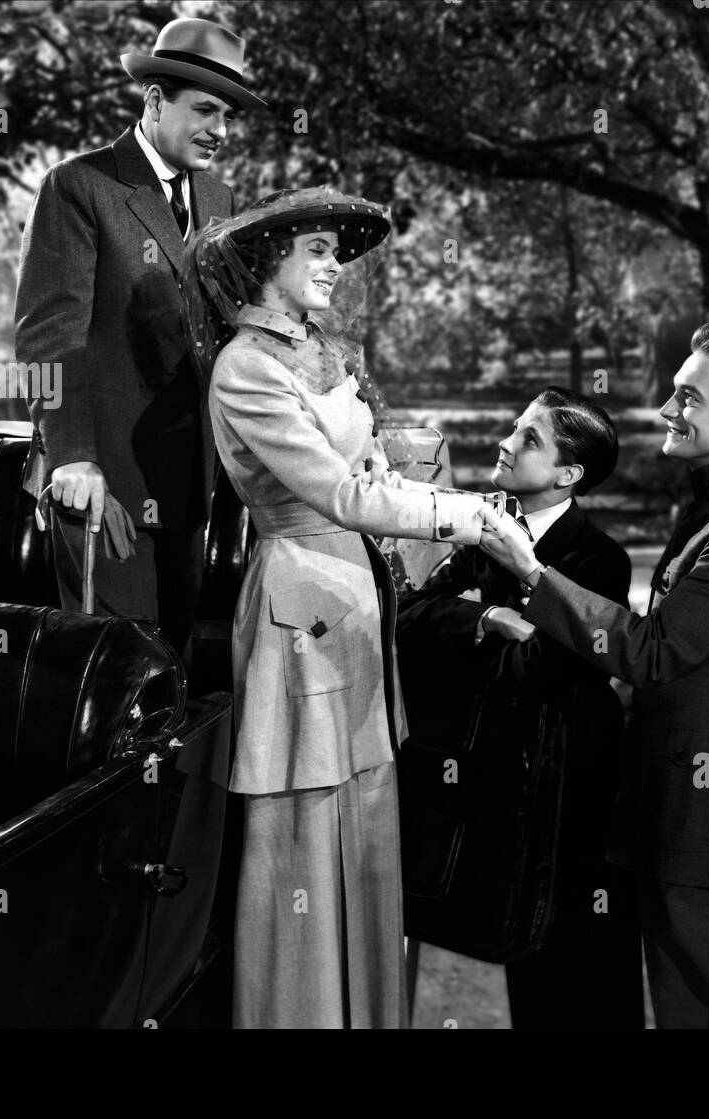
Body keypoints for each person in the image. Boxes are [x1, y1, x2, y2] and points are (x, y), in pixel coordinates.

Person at [181, 186, 489, 1029]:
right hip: (297, 603)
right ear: (267, 261)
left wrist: (448, 498)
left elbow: (378, 477)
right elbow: (339, 491)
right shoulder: (245, 368)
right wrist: (469, 517)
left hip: (354, 596)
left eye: (334, 251)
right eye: (313, 251)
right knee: (304, 831)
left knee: (366, 818)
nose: (331, 266)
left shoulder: (324, 353)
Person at [479, 323, 709, 1028]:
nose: (667, 410)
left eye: (688, 398)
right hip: (673, 818)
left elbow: (653, 651)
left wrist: (532, 573)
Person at [396, 388, 644, 1029]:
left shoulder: (598, 559)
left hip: (562, 795)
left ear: (568, 475)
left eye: (530, 438)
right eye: (514, 428)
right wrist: (486, 617)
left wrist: (464, 643)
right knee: (483, 929)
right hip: (482, 784)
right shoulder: (480, 535)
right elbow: (408, 623)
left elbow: (546, 673)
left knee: (564, 971)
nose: (506, 442)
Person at [16, 18, 261, 659]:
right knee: (112, 671)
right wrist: (71, 456)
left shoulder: (218, 196)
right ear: (154, 101)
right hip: (102, 479)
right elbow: (49, 336)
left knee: (171, 670)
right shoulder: (79, 186)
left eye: (228, 115)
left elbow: (230, 328)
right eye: (206, 110)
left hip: (190, 475)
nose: (221, 131)